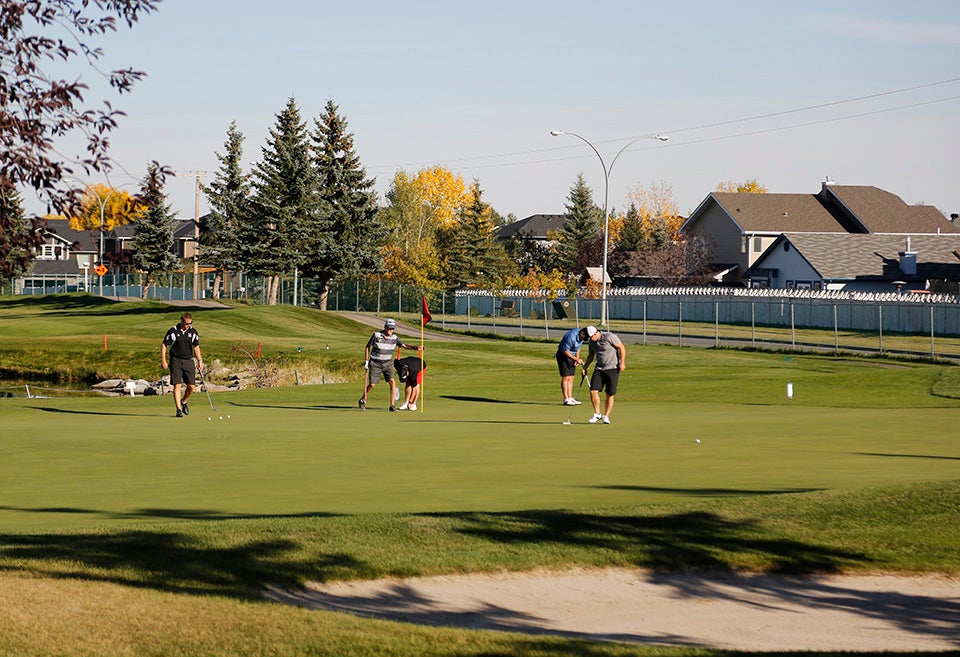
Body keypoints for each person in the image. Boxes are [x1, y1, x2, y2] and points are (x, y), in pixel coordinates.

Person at [360, 318, 417, 412]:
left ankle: (392, 405)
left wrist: (415, 348)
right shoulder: (376, 335)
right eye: (389, 328)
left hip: (387, 363)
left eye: (392, 328)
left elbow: (404, 346)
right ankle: (363, 399)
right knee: (372, 384)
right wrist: (366, 361)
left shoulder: (394, 338)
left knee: (392, 382)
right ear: (385, 327)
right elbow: (367, 347)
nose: (391, 330)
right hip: (375, 363)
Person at [160, 312, 203, 418]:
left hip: (189, 360)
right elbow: (164, 344)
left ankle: (184, 401)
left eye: (190, 323)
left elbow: (196, 346)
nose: (188, 325)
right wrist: (164, 360)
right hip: (176, 360)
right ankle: (178, 409)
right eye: (187, 323)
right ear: (182, 321)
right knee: (177, 385)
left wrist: (200, 360)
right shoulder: (173, 331)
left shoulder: (193, 332)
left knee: (191, 386)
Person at [581, 325, 626, 425]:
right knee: (593, 390)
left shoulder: (609, 336)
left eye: (591, 337)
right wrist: (585, 367)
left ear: (596, 333)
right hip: (599, 369)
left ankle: (606, 416)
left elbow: (621, 347)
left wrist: (622, 362)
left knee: (609, 394)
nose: (590, 339)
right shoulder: (591, 342)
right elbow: (591, 355)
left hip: (613, 369)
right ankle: (597, 413)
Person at [556, 326, 592, 405]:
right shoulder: (571, 336)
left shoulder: (581, 336)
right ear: (582, 333)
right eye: (586, 337)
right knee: (566, 377)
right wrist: (576, 359)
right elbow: (564, 350)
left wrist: (577, 358)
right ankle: (566, 398)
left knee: (571, 377)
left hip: (572, 356)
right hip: (563, 355)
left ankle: (570, 397)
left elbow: (578, 348)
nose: (587, 339)